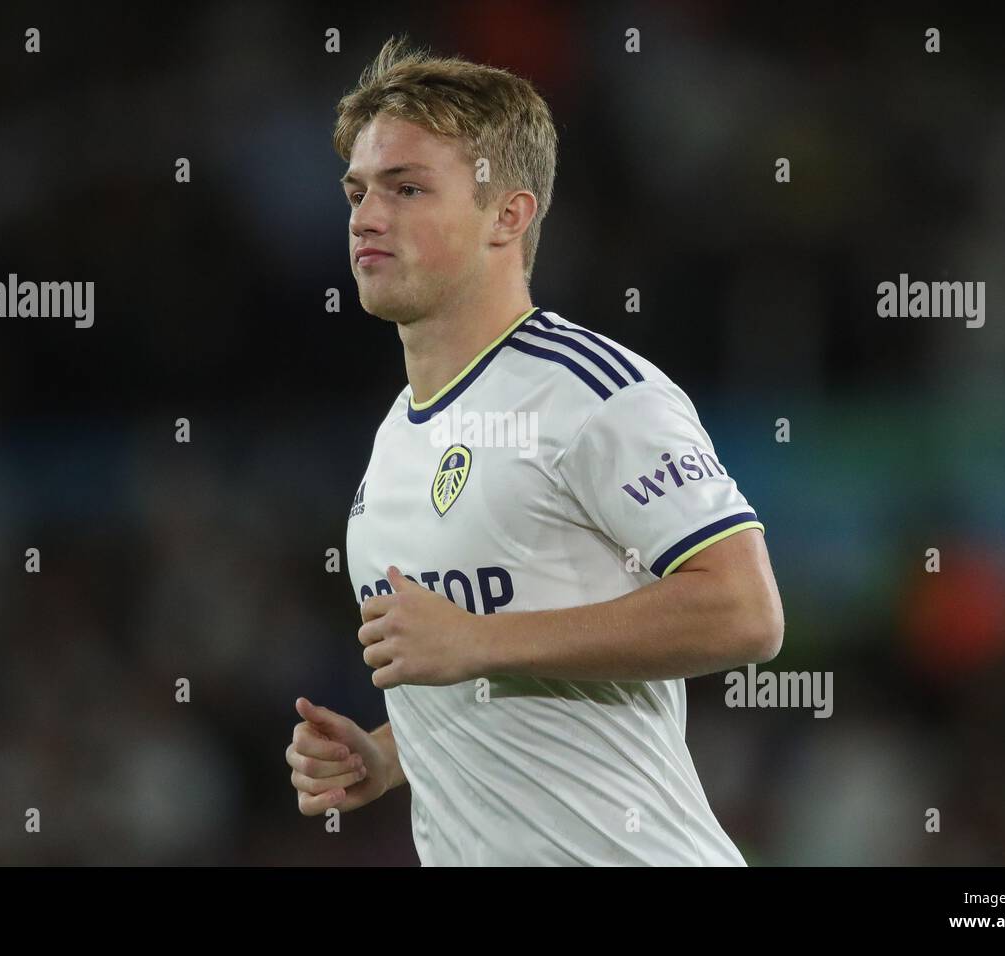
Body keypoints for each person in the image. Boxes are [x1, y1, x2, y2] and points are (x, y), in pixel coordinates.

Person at [286, 35, 783, 865]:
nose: (367, 217)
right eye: (358, 192)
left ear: (507, 215)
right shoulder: (396, 435)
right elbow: (482, 672)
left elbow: (744, 611)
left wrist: (478, 640)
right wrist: (389, 754)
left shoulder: (592, 394)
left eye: (407, 188)